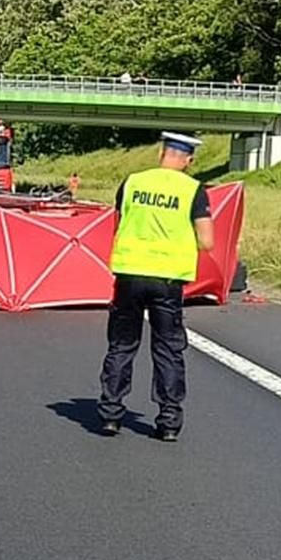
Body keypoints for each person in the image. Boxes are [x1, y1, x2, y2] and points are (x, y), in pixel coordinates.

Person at [96, 131, 216, 442]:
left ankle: (110, 414)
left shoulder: (132, 182)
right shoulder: (193, 190)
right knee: (168, 349)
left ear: (161, 153)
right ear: (188, 160)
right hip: (167, 279)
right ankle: (168, 421)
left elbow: (118, 224)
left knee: (122, 344)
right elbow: (207, 240)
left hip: (129, 274)